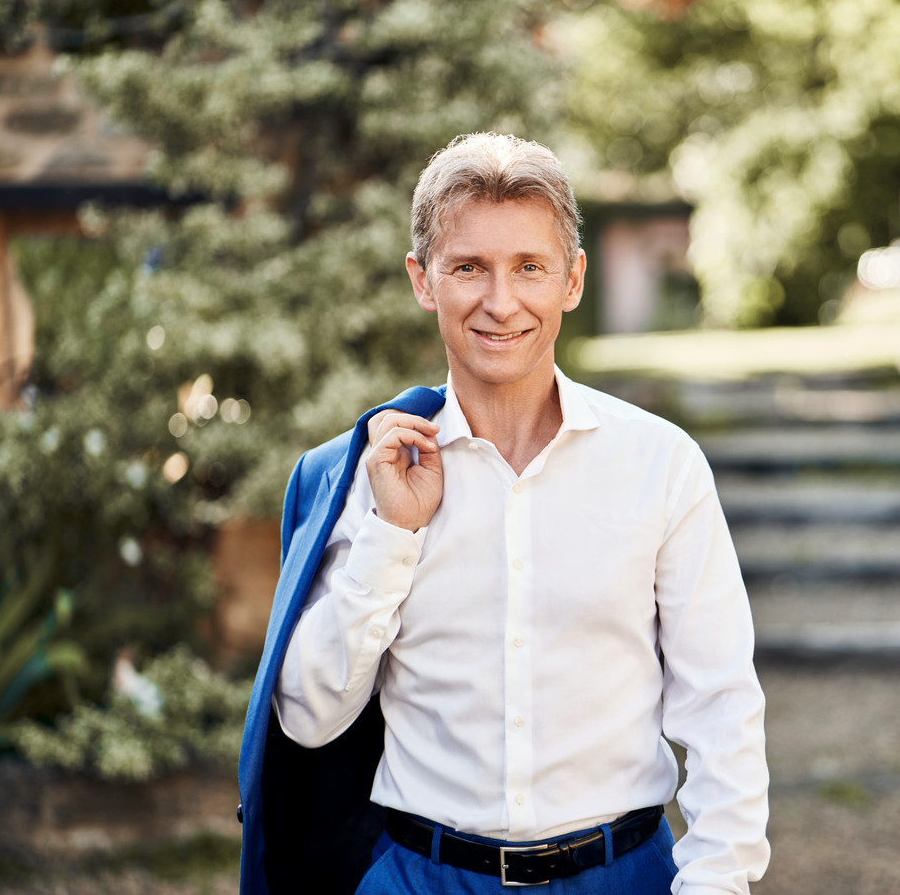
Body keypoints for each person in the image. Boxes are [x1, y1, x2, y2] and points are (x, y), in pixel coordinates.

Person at [252, 132, 769, 894]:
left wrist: (715, 883)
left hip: (620, 876)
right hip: (420, 878)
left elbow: (720, 707)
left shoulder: (659, 464)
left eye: (529, 266)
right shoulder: (370, 474)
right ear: (423, 280)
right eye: (468, 268)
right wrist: (393, 534)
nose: (501, 302)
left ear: (572, 280)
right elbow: (307, 717)